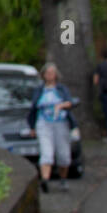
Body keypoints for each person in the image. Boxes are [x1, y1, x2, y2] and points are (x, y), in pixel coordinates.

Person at [26, 62, 78, 193]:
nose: (50, 76)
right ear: (43, 75)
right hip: (44, 123)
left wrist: (61, 106)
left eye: (52, 73)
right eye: (47, 73)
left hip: (61, 123)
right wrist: (32, 127)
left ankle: (63, 179)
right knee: (46, 153)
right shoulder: (39, 90)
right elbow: (33, 109)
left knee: (63, 155)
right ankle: (45, 179)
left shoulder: (61, 89)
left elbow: (71, 102)